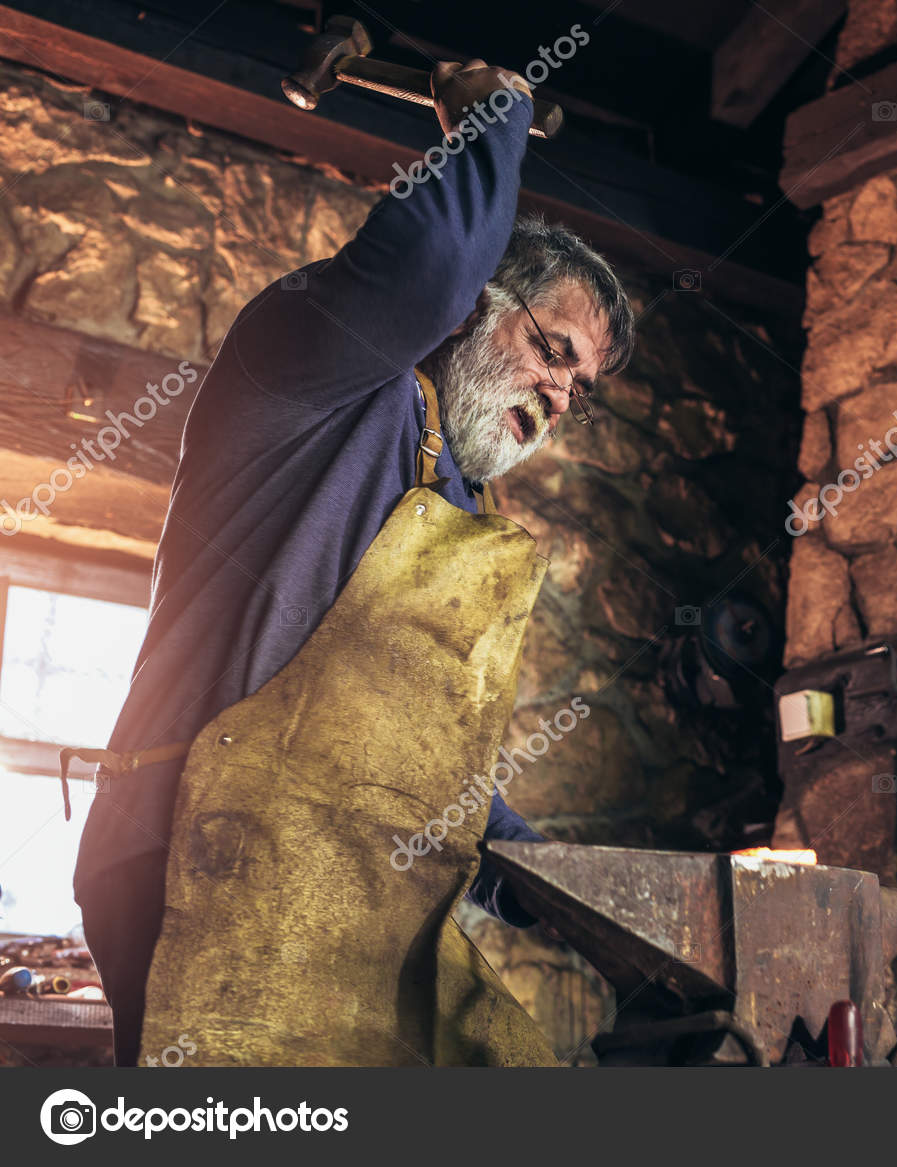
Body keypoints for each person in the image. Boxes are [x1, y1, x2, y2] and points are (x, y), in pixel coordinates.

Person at [71, 59, 634, 1067]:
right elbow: (429, 264)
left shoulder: (459, 517)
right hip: (194, 857)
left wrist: (581, 901)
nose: (557, 396)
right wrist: (490, 116)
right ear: (474, 308)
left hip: (346, 900)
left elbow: (433, 778)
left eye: (578, 389)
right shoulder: (315, 374)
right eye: (552, 350)